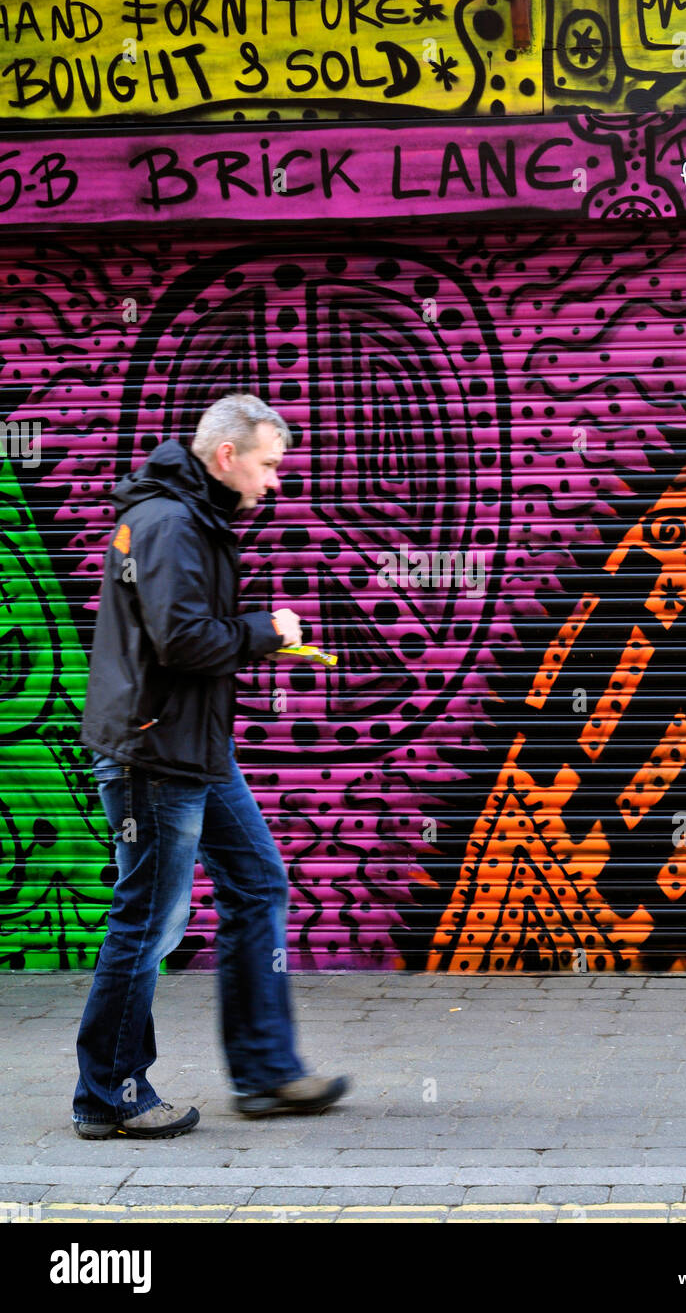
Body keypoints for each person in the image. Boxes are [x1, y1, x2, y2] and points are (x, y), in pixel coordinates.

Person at [72, 393, 349, 1138]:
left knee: (258, 884)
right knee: (149, 923)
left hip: (193, 745)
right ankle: (109, 1092)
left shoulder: (187, 516)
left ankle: (264, 1071)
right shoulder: (168, 522)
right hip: (154, 755)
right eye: (268, 464)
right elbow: (182, 641)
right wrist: (265, 630)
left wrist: (257, 635)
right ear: (226, 456)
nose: (274, 481)